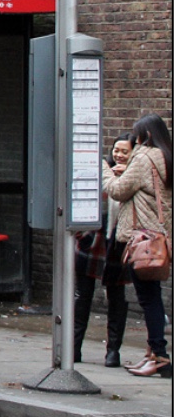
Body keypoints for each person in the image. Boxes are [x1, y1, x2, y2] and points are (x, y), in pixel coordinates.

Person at [102, 113, 172, 378]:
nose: (136, 140)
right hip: (159, 238)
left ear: (147, 135)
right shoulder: (166, 157)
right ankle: (153, 354)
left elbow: (118, 190)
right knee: (153, 296)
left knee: (149, 299)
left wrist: (105, 170)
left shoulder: (144, 157)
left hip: (142, 240)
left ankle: (160, 357)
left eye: (137, 135)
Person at [73, 134, 133, 367]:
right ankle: (74, 348)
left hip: (118, 243)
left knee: (117, 298)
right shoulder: (101, 171)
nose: (119, 155)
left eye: (125, 151)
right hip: (93, 241)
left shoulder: (134, 175)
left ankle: (113, 352)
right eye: (116, 150)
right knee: (82, 296)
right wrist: (82, 234)